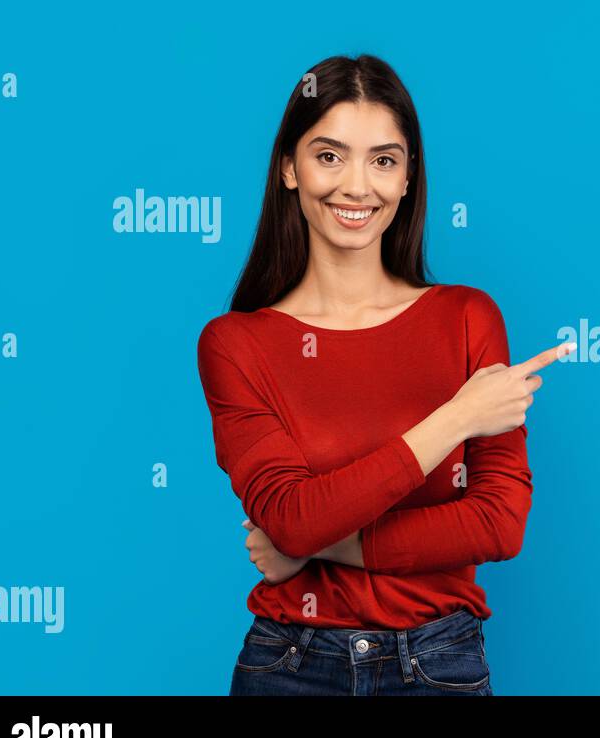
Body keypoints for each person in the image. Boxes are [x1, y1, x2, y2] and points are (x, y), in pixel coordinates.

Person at [196, 53, 573, 696]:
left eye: (384, 160)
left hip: (440, 663)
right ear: (289, 167)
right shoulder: (236, 344)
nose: (357, 187)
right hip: (291, 667)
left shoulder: (467, 318)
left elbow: (498, 524)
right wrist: (458, 417)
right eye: (329, 155)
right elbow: (289, 517)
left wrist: (318, 547)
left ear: (406, 179)